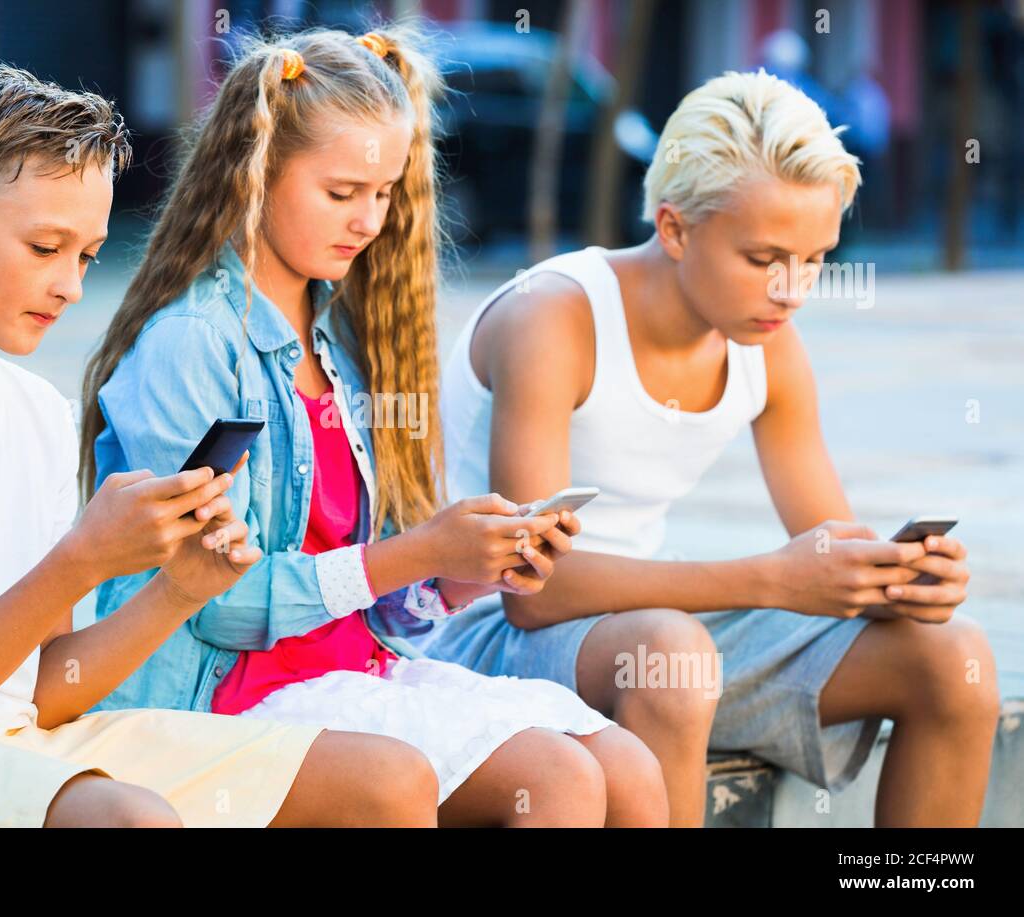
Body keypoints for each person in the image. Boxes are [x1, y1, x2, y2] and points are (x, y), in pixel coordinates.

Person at [0, 65, 440, 829]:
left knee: (390, 779)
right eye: (46, 247)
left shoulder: (36, 412)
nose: (72, 285)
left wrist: (180, 589)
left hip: (17, 740)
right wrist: (83, 556)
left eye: (88, 254)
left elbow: (48, 690)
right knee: (127, 816)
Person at [80, 27, 667, 827]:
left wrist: (466, 571)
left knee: (628, 768)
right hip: (221, 693)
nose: (368, 220)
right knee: (558, 777)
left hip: (351, 672)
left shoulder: (340, 345)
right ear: (256, 176)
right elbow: (212, 601)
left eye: (384, 192)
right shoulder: (193, 347)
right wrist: (417, 549)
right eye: (341, 191)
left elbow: (374, 600)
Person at [422, 69, 996, 827]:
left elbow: (823, 544)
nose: (792, 290)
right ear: (675, 229)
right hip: (474, 631)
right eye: (764, 259)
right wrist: (774, 580)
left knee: (953, 662)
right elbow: (536, 591)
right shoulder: (554, 317)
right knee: (672, 652)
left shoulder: (769, 345)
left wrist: (896, 577)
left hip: (651, 635)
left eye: (815, 258)